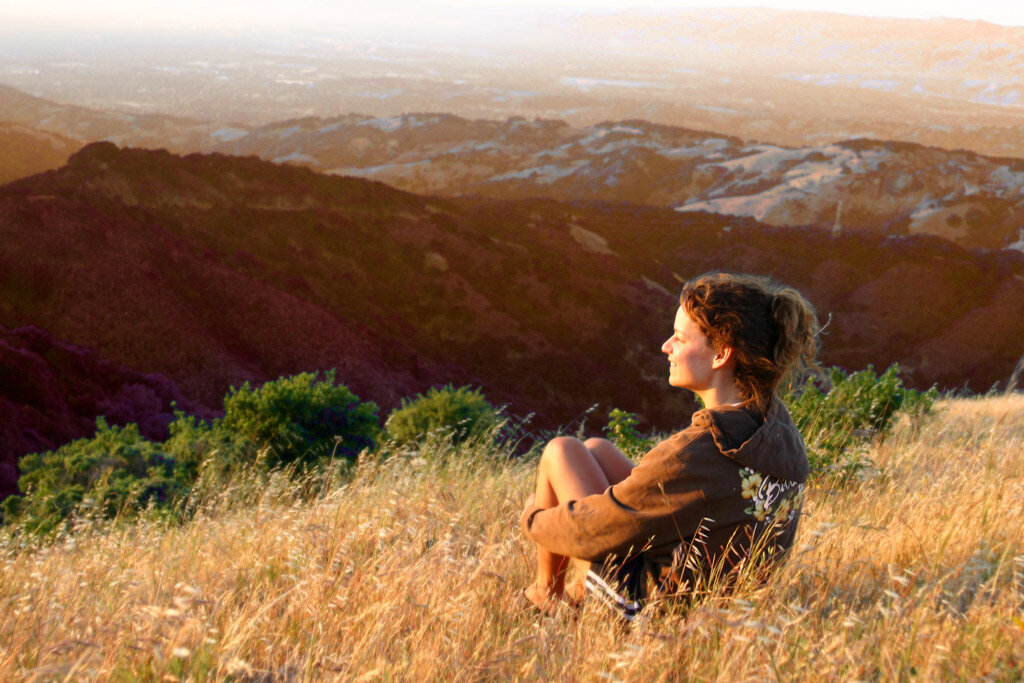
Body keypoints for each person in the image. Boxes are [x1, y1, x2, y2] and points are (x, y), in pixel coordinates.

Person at [519, 272, 820, 618]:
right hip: (726, 596)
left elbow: (596, 532)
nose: (666, 346)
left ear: (721, 354)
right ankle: (569, 592)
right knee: (598, 449)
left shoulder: (695, 453)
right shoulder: (777, 430)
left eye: (678, 337)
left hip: (656, 607)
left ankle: (546, 595)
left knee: (561, 451)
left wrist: (535, 518)